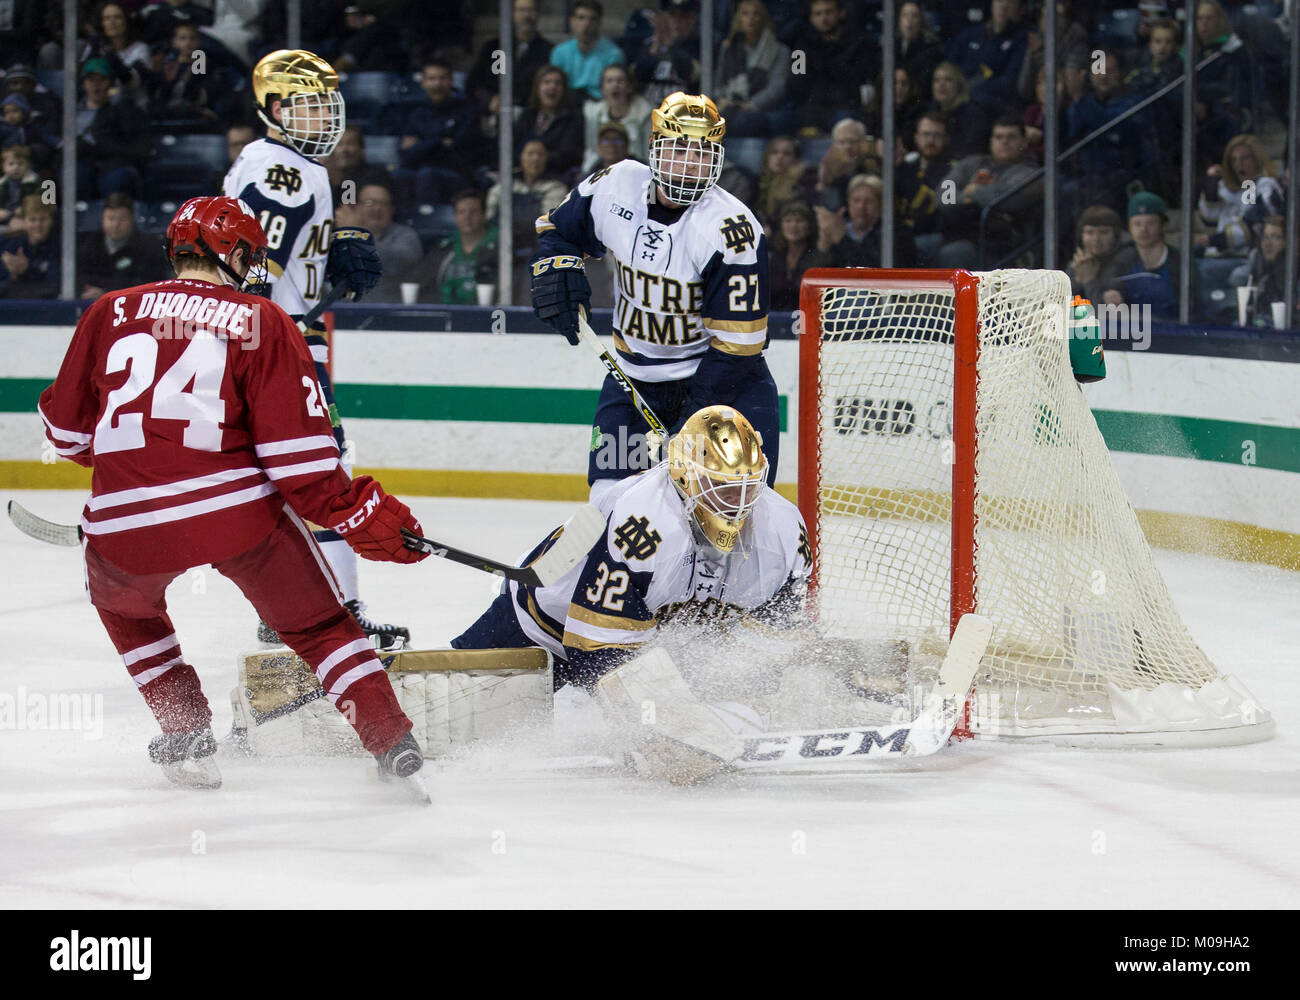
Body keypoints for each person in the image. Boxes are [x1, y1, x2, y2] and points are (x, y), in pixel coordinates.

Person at [36, 196, 427, 791]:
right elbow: (300, 464)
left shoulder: (107, 311)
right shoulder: (262, 319)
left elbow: (65, 435)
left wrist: (140, 457)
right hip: (236, 515)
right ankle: (391, 742)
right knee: (319, 626)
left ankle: (186, 732)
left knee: (128, 612)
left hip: (122, 525)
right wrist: (367, 516)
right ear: (235, 251)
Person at [223, 49, 402, 649]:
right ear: (276, 109)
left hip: (283, 330)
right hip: (281, 335)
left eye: (329, 103)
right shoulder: (286, 171)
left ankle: (302, 608)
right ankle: (327, 610)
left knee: (298, 470)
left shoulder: (273, 160)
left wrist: (326, 252)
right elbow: (249, 269)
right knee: (322, 465)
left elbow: (265, 256)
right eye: (311, 104)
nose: (326, 116)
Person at [449, 405, 811, 696]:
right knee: (453, 717)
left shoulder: (784, 531)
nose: (738, 502)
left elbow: (767, 648)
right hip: (541, 622)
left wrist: (728, 705)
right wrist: (657, 723)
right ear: (685, 473)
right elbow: (597, 648)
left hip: (643, 635)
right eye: (720, 486)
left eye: (747, 486)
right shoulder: (643, 523)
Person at [531, 92, 779, 507]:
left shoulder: (734, 233)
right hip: (632, 384)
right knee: (608, 510)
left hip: (724, 390)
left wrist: (692, 422)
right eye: (679, 149)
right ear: (655, 148)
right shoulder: (616, 185)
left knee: (731, 523)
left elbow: (737, 350)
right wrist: (555, 267)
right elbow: (558, 230)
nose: (688, 164)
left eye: (702, 153)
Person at [935, 115, 1041, 268]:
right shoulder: (970, 164)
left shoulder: (1031, 173)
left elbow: (1005, 199)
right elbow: (943, 197)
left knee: (954, 253)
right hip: (957, 234)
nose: (1004, 142)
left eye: (1011, 137)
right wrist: (972, 196)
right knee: (922, 245)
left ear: (1024, 142)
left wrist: (972, 191)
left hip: (1000, 248)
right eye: (999, 137)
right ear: (991, 141)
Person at [395, 58, 481, 208]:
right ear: (423, 83)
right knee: (399, 176)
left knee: (428, 175)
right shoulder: (417, 113)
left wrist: (422, 144)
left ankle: (428, 223)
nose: (437, 84)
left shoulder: (466, 111)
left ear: (451, 81)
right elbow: (405, 153)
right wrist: (439, 141)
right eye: (432, 79)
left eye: (442, 78)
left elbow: (459, 149)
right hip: (419, 171)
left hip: (456, 174)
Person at [1196, 134, 1286, 256]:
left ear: (1257, 159)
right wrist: (1211, 185)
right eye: (1234, 159)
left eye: (1245, 158)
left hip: (1245, 256)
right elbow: (1208, 217)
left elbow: (1256, 224)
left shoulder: (1265, 185)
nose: (1239, 164)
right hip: (1216, 255)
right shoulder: (1224, 186)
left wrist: (1216, 240)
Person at [75, 57, 149, 201]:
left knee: (118, 179)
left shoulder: (123, 107)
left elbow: (136, 142)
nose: (96, 86)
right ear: (83, 83)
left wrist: (117, 104)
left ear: (111, 83)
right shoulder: (73, 110)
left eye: (102, 79)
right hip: (82, 161)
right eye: (91, 80)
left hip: (114, 162)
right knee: (74, 177)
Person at [1101, 191, 1182, 321]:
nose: (1143, 229)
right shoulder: (1121, 260)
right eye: (1137, 224)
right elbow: (1109, 290)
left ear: (1162, 225)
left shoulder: (1179, 261)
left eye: (1150, 223)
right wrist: (1111, 295)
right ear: (1129, 227)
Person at [786, 0, 865, 134]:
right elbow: (796, 82)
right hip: (811, 108)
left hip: (844, 106)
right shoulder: (801, 46)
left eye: (828, 12)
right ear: (811, 18)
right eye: (818, 14)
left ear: (841, 13)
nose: (824, 18)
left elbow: (857, 77)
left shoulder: (856, 43)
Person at [714, 0, 790, 138]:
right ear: (739, 19)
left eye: (756, 14)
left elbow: (777, 87)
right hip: (729, 105)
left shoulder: (780, 50)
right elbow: (718, 82)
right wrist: (722, 99)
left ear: (764, 19)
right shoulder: (727, 48)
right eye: (745, 14)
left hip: (762, 109)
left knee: (746, 121)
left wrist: (751, 105)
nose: (750, 19)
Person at [410, 188, 499, 304]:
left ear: (484, 215)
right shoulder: (444, 249)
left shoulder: (500, 248)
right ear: (455, 216)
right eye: (461, 212)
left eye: (473, 212)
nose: (467, 217)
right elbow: (420, 283)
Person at [466, 0, 554, 115]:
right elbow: (474, 83)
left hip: (530, 117)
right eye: (522, 10)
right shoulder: (494, 48)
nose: (527, 15)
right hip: (495, 115)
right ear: (513, 14)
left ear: (538, 14)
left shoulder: (549, 51)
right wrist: (490, 99)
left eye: (531, 10)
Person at [76, 192, 170, 298]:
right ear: (102, 219)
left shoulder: (148, 247)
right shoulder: (89, 244)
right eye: (111, 218)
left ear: (132, 219)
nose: (116, 225)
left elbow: (149, 284)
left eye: (122, 219)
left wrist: (107, 293)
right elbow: (80, 277)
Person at [816, 173, 915, 268]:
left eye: (869, 201)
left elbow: (870, 272)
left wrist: (841, 238)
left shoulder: (895, 232)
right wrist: (824, 245)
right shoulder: (842, 228)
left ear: (881, 204)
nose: (861, 206)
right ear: (848, 203)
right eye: (856, 200)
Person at [945, 0, 1028, 113]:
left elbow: (1009, 80)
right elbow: (950, 66)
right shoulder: (971, 34)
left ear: (1020, 9)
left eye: (1010, 2)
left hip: (992, 104)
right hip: (959, 96)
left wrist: (970, 90)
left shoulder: (1022, 39)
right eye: (999, 1)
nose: (1003, 7)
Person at [896, 111, 952, 265]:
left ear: (945, 139)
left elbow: (946, 213)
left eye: (937, 135)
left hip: (932, 236)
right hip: (903, 234)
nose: (930, 140)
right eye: (926, 134)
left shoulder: (952, 174)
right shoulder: (903, 168)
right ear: (916, 137)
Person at [356, 179, 422, 304]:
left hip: (390, 313)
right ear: (357, 208)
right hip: (342, 313)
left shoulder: (407, 236)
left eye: (383, 203)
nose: (377, 209)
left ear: (392, 209)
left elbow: (395, 264)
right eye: (370, 203)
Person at [514, 64, 585, 181]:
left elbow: (569, 154)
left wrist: (537, 160)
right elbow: (516, 146)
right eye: (547, 82)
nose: (552, 86)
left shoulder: (572, 118)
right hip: (523, 174)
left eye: (557, 83)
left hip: (556, 176)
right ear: (538, 88)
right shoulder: (528, 115)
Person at [550, 0, 627, 102]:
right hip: (567, 104)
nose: (586, 24)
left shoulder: (614, 54)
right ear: (572, 22)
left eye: (592, 19)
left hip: (599, 104)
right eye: (581, 18)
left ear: (600, 23)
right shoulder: (559, 52)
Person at [581, 63, 652, 172]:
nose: (615, 85)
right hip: (601, 170)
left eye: (620, 81)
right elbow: (592, 151)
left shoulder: (645, 115)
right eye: (609, 81)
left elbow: (648, 155)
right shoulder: (593, 114)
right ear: (602, 89)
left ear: (629, 87)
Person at [1230, 216, 1295, 327]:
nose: (1267, 244)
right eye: (1265, 237)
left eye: (1275, 237)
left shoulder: (1292, 276)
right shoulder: (1258, 269)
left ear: (1289, 242)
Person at [768, 201, 828, 312]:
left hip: (808, 319)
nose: (793, 226)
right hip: (776, 320)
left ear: (809, 226)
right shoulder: (776, 257)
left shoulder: (817, 257)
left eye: (799, 221)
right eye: (788, 221)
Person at [927, 61, 990, 161]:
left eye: (948, 80)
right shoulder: (930, 112)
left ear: (959, 85)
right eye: (936, 80)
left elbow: (969, 151)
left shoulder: (973, 114)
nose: (941, 85)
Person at [0, 193, 58, 297]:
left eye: (43, 219)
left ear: (51, 221)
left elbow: (53, 288)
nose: (38, 225)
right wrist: (12, 275)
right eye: (32, 219)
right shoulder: (9, 246)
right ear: (24, 221)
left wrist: (26, 270)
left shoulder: (58, 248)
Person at [1066, 204, 1126, 303]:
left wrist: (1089, 281)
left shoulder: (1124, 262)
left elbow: (1105, 313)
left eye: (1103, 232)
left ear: (1115, 235)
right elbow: (1062, 307)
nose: (1096, 239)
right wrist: (1079, 280)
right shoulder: (1079, 263)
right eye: (1089, 232)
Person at [753, 134, 813, 232]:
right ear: (767, 156)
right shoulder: (758, 181)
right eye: (774, 152)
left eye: (787, 154)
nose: (779, 157)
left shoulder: (803, 182)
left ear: (795, 159)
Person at [0, 143, 39, 234]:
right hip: (5, 218)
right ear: (4, 167)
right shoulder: (2, 183)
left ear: (28, 165)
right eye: (11, 164)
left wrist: (26, 209)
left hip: (26, 218)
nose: (16, 167)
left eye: (20, 164)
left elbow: (42, 202)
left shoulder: (36, 182)